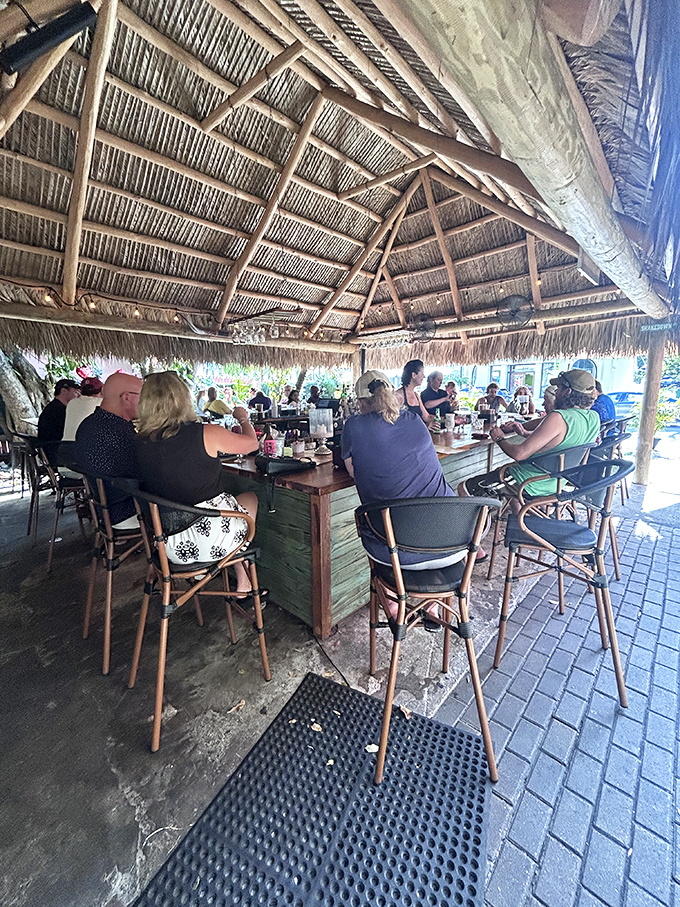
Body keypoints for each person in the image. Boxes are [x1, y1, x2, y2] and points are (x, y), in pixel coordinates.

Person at [342, 370, 458, 628]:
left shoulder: (354, 426)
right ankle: (432, 604)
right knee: (421, 516)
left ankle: (396, 607)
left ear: (360, 402)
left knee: (378, 523)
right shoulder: (415, 420)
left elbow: (353, 472)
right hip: (454, 542)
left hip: (397, 551)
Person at [134, 372, 260, 594]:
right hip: (208, 542)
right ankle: (233, 572)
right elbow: (251, 444)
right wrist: (243, 418)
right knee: (249, 498)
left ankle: (240, 580)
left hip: (167, 547)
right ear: (184, 399)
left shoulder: (139, 442)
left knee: (223, 511)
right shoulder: (204, 433)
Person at [460, 368, 600, 506]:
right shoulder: (593, 418)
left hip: (528, 482)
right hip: (557, 482)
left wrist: (499, 438)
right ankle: (520, 524)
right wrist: (521, 428)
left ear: (567, 392)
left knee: (464, 487)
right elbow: (542, 424)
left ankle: (477, 527)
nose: (556, 392)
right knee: (504, 479)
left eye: (558, 389)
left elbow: (519, 454)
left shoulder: (558, 418)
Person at [75, 373, 143, 528]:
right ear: (126, 397)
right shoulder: (119, 432)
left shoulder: (88, 424)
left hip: (103, 510)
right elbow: (146, 475)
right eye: (143, 397)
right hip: (126, 511)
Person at [37, 378, 81, 465]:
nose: (78, 395)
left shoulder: (56, 407)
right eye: (75, 392)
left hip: (55, 450)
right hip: (56, 452)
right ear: (64, 391)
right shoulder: (58, 410)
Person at [63, 376, 103, 443]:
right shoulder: (101, 403)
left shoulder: (72, 403)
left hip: (65, 446)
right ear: (101, 390)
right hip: (84, 447)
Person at [394, 359, 433, 426]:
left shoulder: (416, 396)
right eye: (422, 374)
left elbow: (427, 417)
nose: (424, 376)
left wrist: (447, 418)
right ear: (413, 375)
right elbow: (394, 422)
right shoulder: (398, 395)